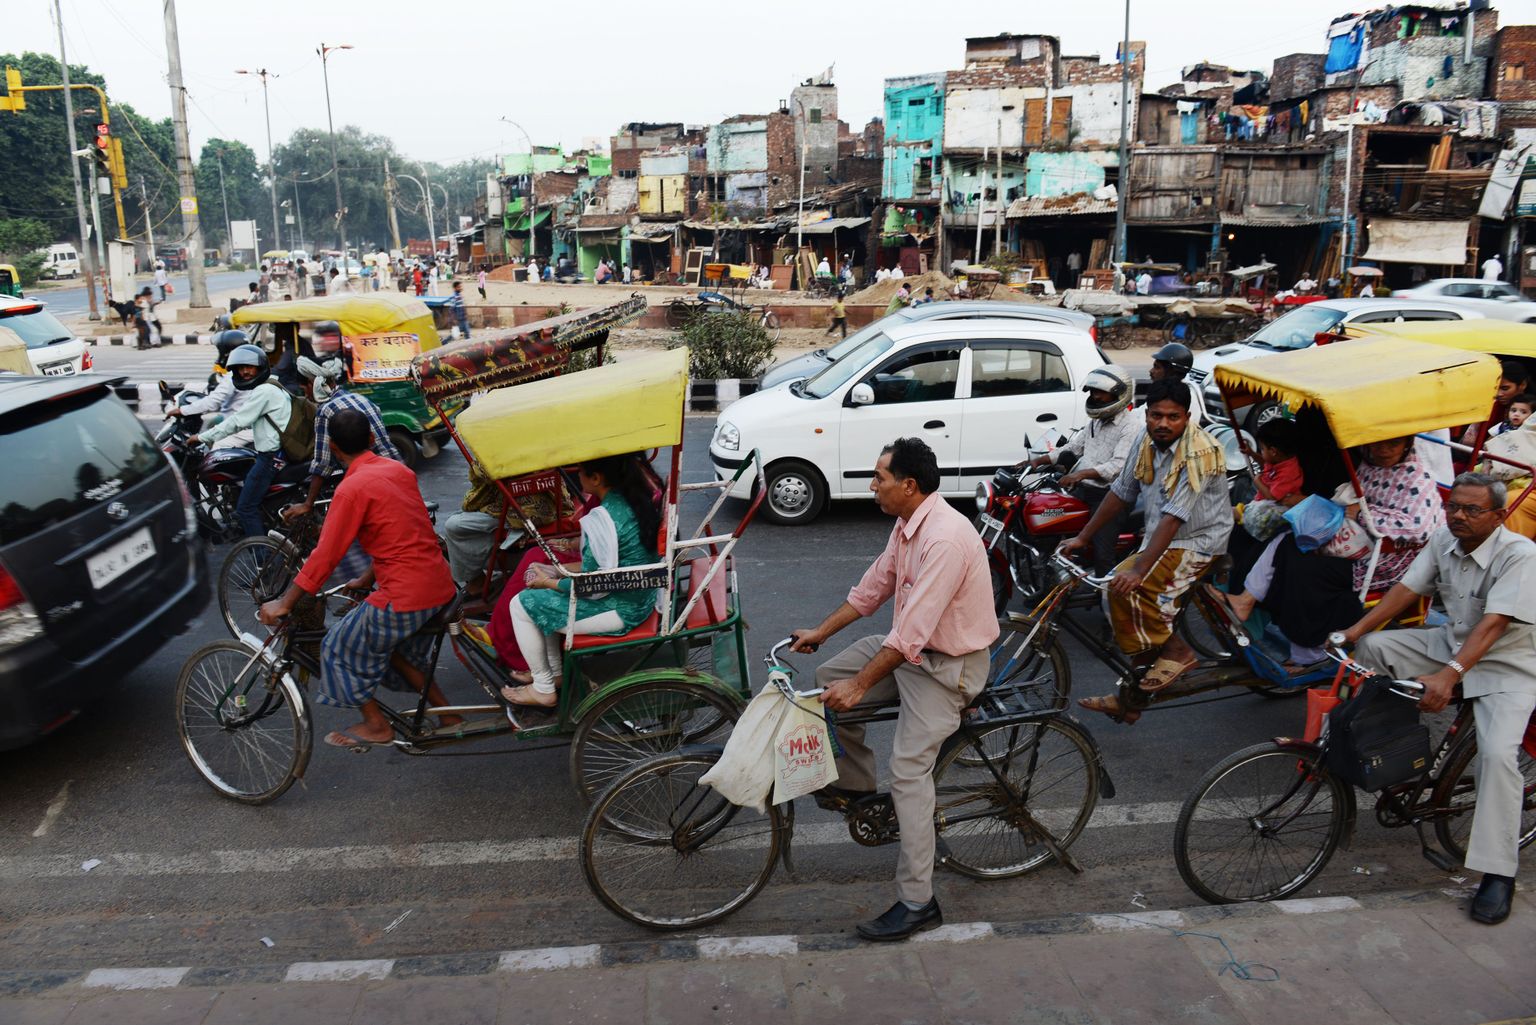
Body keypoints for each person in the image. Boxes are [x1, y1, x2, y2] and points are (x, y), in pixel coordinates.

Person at [789, 437, 997, 942]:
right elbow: (871, 590)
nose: (872, 485)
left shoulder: (944, 539)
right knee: (823, 684)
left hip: (947, 668)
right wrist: (821, 631)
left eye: (879, 478)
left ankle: (918, 902)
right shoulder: (907, 525)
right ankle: (857, 791)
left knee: (908, 773)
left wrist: (861, 685)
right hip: (911, 651)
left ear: (908, 485)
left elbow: (911, 633)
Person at [1340, 472, 1536, 925]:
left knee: (1496, 757)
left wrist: (1449, 676)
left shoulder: (1519, 555)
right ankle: (1393, 747)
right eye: (1454, 508)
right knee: (1374, 650)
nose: (1459, 517)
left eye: (1472, 510)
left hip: (1510, 665)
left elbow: (1494, 624)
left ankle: (1498, 874)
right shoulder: (1443, 539)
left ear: (1499, 516)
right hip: (1452, 645)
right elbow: (1407, 589)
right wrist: (1354, 632)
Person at [257, 409, 458, 750]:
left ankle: (376, 724)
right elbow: (404, 535)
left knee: (336, 645)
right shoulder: (398, 470)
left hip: (405, 593)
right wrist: (366, 578)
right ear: (370, 439)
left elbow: (325, 555)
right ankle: (448, 714)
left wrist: (284, 602)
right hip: (439, 582)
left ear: (333, 447)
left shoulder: (351, 489)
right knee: (393, 649)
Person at [1066, 380, 1234, 721]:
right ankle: (1133, 698)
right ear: (1146, 415)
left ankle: (1178, 651)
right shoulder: (1144, 441)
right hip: (1159, 538)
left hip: (1198, 540)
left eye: (1173, 417)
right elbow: (1120, 492)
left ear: (1186, 417)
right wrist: (1083, 538)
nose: (1163, 423)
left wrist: (1139, 571)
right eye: (1156, 415)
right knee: (1115, 589)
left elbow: (1174, 519)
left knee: (1138, 587)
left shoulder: (1199, 451)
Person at [1231, 435, 1444, 666]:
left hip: (1388, 562)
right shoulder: (1369, 468)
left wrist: (1363, 516)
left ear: (1407, 445)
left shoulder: (1417, 479)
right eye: (1378, 442)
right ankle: (1246, 600)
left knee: (1306, 569)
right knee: (1290, 542)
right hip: (1357, 545)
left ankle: (1309, 654)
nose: (1383, 449)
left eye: (1393, 444)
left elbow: (1420, 528)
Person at [501, 453, 663, 708]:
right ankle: (554, 674)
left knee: (520, 604)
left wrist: (549, 582)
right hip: (638, 598)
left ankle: (543, 687)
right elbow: (603, 567)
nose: (577, 475)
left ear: (596, 478)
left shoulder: (603, 518)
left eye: (582, 471)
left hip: (619, 609)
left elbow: (591, 586)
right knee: (540, 600)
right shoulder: (631, 502)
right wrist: (556, 570)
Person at [1021, 365, 1138, 576]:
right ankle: (1049, 587)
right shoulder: (1096, 421)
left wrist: (1080, 474)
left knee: (1103, 553)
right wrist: (1039, 460)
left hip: (1110, 497)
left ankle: (1106, 598)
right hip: (1083, 490)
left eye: (1100, 392)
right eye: (1092, 391)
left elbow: (1117, 466)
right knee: (1049, 528)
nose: (1094, 396)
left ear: (1119, 394)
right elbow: (1074, 447)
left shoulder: (1130, 426)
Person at [187, 345, 293, 537]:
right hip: (276, 451)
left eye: (250, 367)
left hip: (269, 458)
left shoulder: (264, 391)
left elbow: (237, 421)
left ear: (260, 367)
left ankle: (262, 560)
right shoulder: (271, 386)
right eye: (240, 368)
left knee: (245, 509)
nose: (245, 372)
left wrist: (201, 437)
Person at [166, 330, 252, 446]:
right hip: (240, 420)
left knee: (217, 452)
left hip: (242, 427)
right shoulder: (249, 369)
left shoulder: (236, 374)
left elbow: (214, 402)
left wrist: (182, 410)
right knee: (213, 424)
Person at [1148, 342, 1208, 425]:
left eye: (1157, 367)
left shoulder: (1176, 396)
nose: (1151, 371)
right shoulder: (1164, 390)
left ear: (1171, 371)